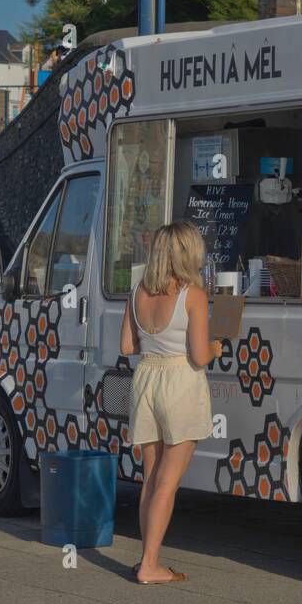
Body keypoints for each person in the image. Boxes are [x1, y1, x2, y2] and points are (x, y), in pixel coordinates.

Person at [120, 220, 222, 584]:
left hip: (146, 378)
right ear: (188, 253)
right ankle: (150, 565)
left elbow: (127, 347)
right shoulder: (193, 294)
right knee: (168, 480)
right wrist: (214, 347)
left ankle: (146, 558)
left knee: (151, 477)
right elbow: (199, 355)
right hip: (180, 381)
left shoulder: (137, 291)